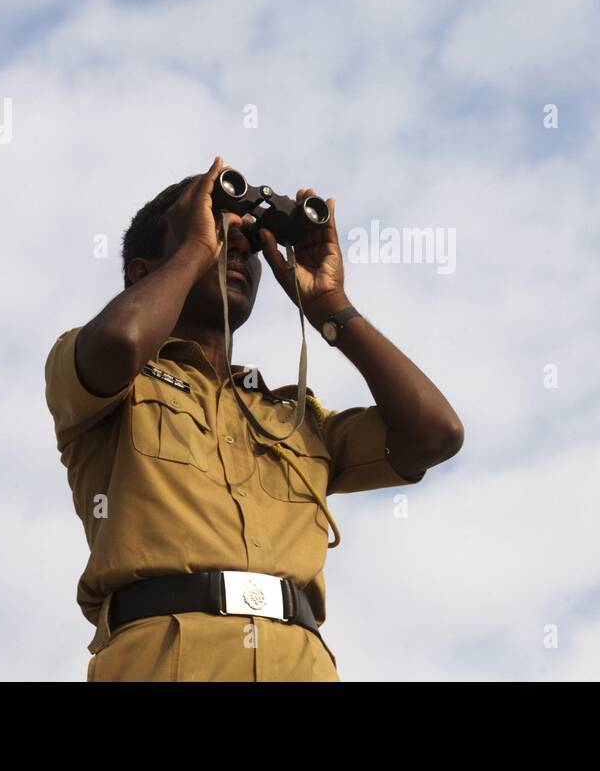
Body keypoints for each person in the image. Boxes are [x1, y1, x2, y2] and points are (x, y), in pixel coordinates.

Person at [43, 156, 464, 680]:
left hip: (300, 662)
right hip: (162, 659)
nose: (235, 248)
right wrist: (199, 246)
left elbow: (436, 434)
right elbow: (120, 340)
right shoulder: (107, 374)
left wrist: (331, 307)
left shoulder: (295, 417)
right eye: (219, 236)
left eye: (244, 244)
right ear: (142, 274)